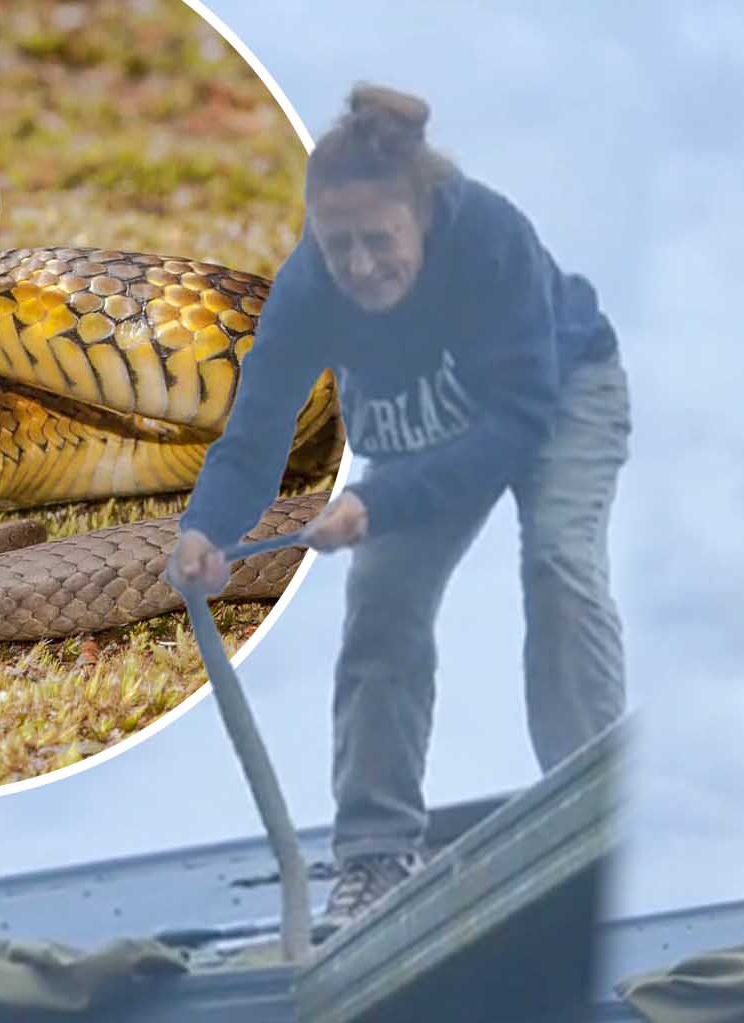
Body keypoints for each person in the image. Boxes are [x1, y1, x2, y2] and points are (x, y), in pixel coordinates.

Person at [168, 83, 630, 938]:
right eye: (337, 244)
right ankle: (377, 857)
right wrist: (208, 527)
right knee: (380, 610)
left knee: (558, 560)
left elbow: (516, 425)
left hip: (554, 399)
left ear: (424, 215)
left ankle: (593, 799)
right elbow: (255, 434)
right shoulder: (309, 287)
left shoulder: (490, 239)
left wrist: (379, 498)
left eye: (379, 240)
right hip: (424, 430)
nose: (361, 265)